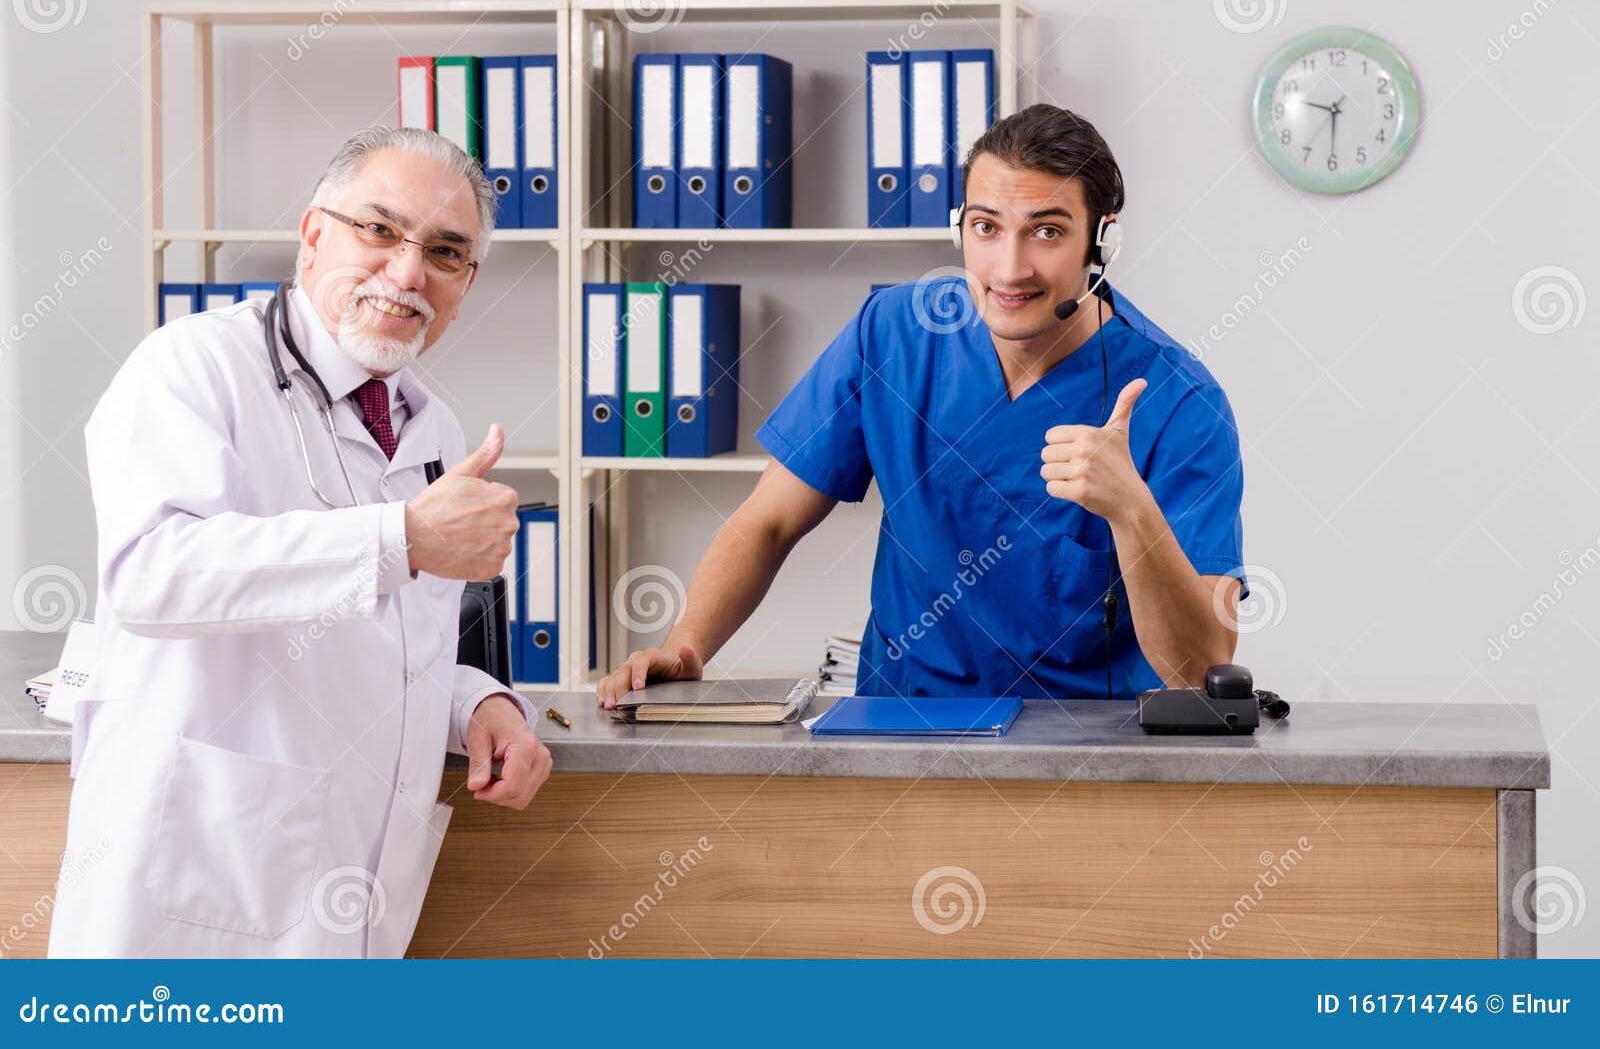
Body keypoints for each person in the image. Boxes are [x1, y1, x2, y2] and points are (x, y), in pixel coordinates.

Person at [49, 125, 552, 958]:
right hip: (196, 897)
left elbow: (384, 643)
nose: (406, 271)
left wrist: (477, 705)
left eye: (446, 251)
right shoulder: (191, 367)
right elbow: (151, 577)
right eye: (379, 229)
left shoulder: (432, 424)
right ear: (314, 234)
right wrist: (402, 538)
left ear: (465, 284)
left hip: (343, 903)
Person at [599, 104, 1247, 706]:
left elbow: (1198, 669)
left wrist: (1131, 511)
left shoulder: (1179, 402)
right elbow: (768, 521)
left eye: (1047, 231)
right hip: (900, 732)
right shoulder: (895, 335)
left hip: (1085, 757)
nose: (1009, 266)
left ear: (1101, 242)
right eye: (986, 228)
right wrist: (686, 646)